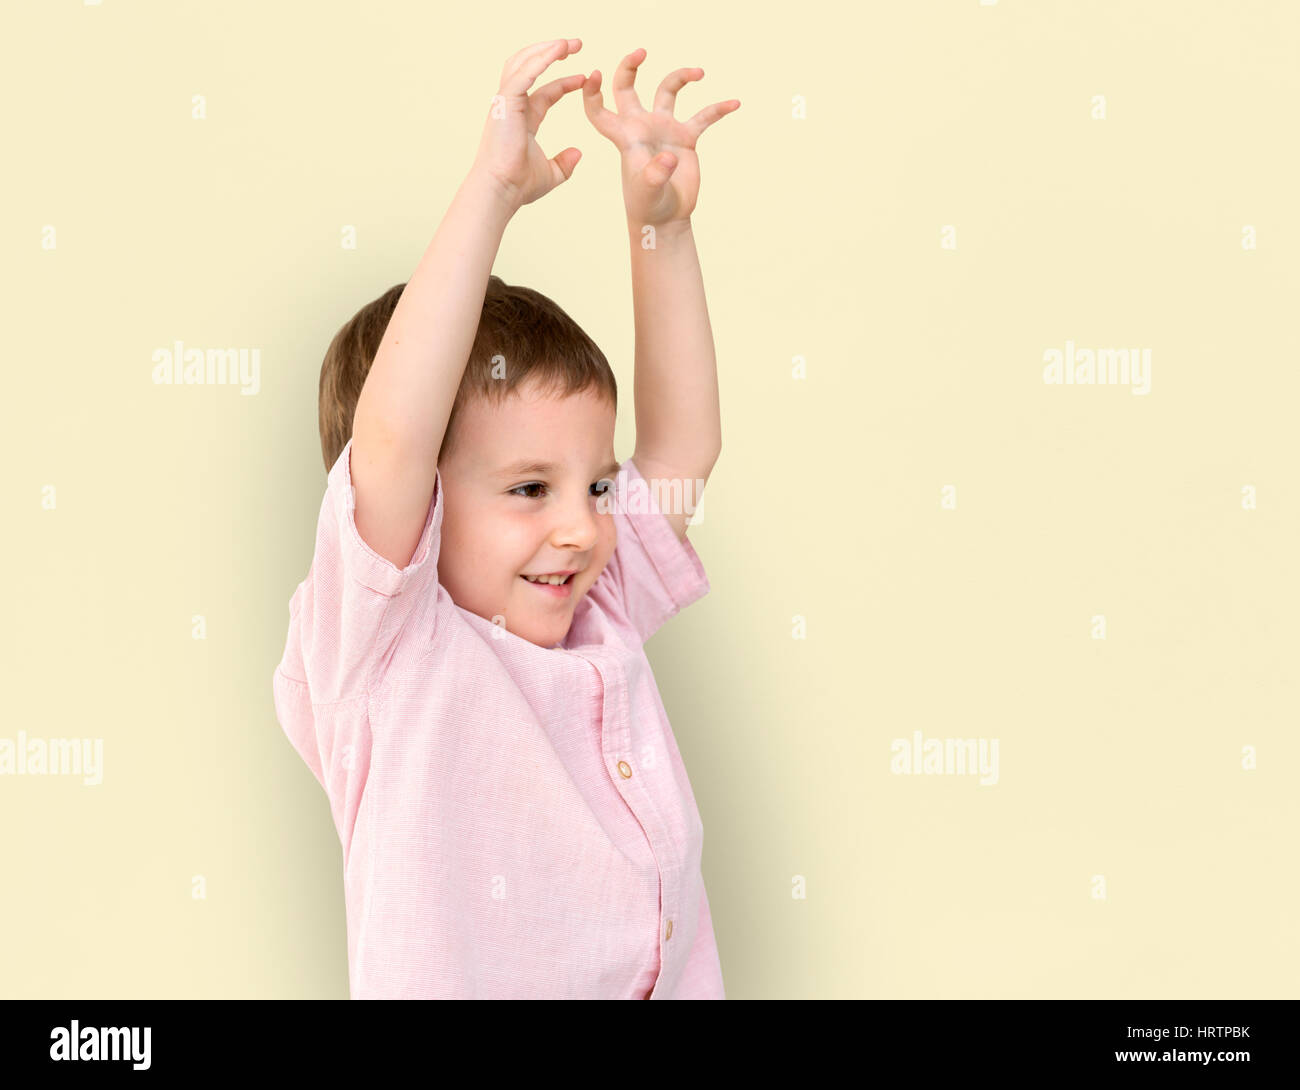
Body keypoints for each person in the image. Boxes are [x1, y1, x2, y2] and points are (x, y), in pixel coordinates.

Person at [272, 38, 739, 998]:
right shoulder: (385, 653)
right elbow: (395, 443)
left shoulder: (599, 607)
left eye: (596, 486)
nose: (581, 527)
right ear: (428, 508)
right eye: (531, 489)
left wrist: (661, 229)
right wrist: (493, 188)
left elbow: (685, 449)